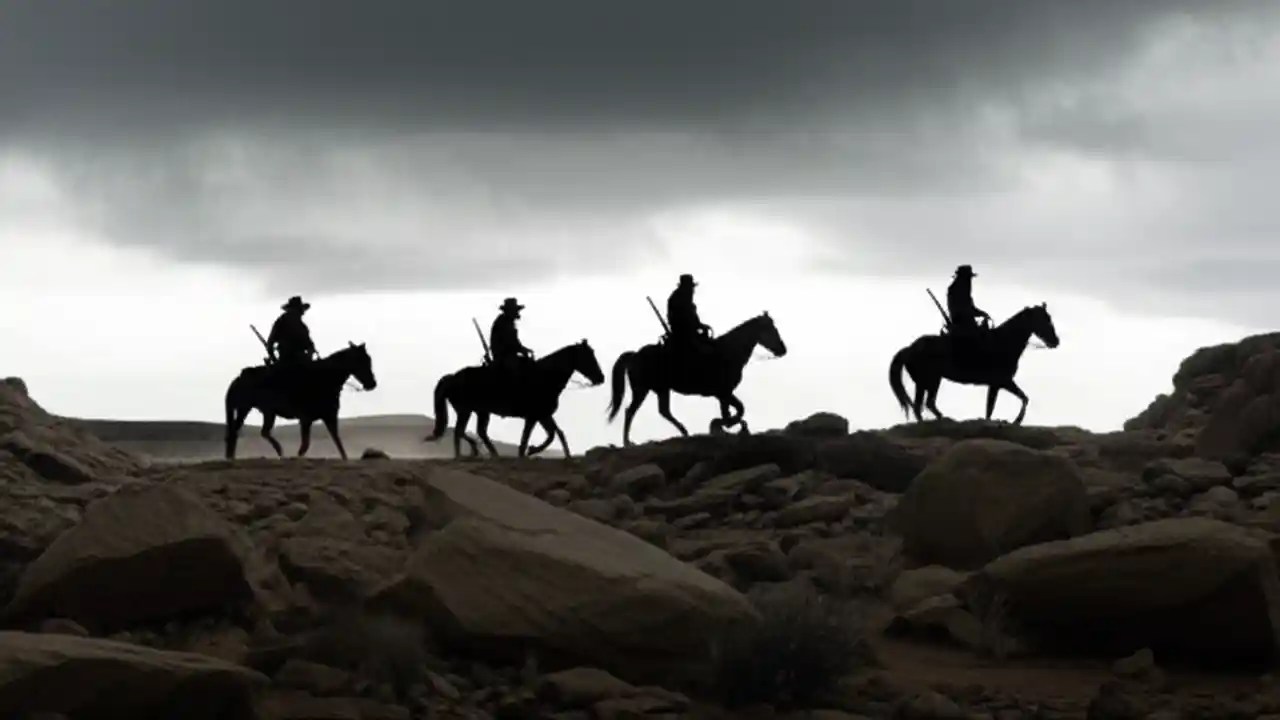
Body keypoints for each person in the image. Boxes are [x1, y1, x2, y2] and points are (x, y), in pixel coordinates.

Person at [265, 295, 317, 395]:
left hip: (303, 359)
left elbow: (309, 343)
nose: (302, 312)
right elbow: (270, 344)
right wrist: (274, 359)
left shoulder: (302, 326)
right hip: (287, 359)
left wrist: (311, 351)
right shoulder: (281, 322)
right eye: (299, 310)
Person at [945, 265, 991, 362]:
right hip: (961, 320)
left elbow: (971, 308)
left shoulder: (964, 291)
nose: (970, 281)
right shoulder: (955, 290)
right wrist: (972, 313)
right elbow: (959, 307)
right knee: (980, 339)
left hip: (966, 318)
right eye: (968, 278)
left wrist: (982, 313)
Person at [666, 273, 713, 357]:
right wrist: (697, 326)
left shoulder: (689, 303)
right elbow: (684, 319)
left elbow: (694, 319)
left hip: (688, 331)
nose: (693, 291)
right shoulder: (678, 300)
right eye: (691, 288)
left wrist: (701, 325)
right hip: (682, 333)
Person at [490, 297, 534, 379]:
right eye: (515, 310)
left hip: (506, 354)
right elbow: (511, 343)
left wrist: (523, 349)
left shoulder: (507, 322)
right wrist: (523, 350)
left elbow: (515, 342)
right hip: (503, 356)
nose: (517, 313)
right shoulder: (504, 323)